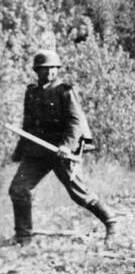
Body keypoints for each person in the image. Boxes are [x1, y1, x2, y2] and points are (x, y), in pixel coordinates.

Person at [8, 50, 117, 246]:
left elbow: (74, 122)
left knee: (79, 194)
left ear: (57, 70)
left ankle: (110, 221)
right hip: (37, 152)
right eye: (44, 69)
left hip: (62, 152)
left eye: (53, 69)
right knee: (18, 189)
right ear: (37, 71)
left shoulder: (65, 92)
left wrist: (67, 146)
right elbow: (28, 124)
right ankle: (23, 238)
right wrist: (19, 151)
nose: (49, 72)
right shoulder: (31, 92)